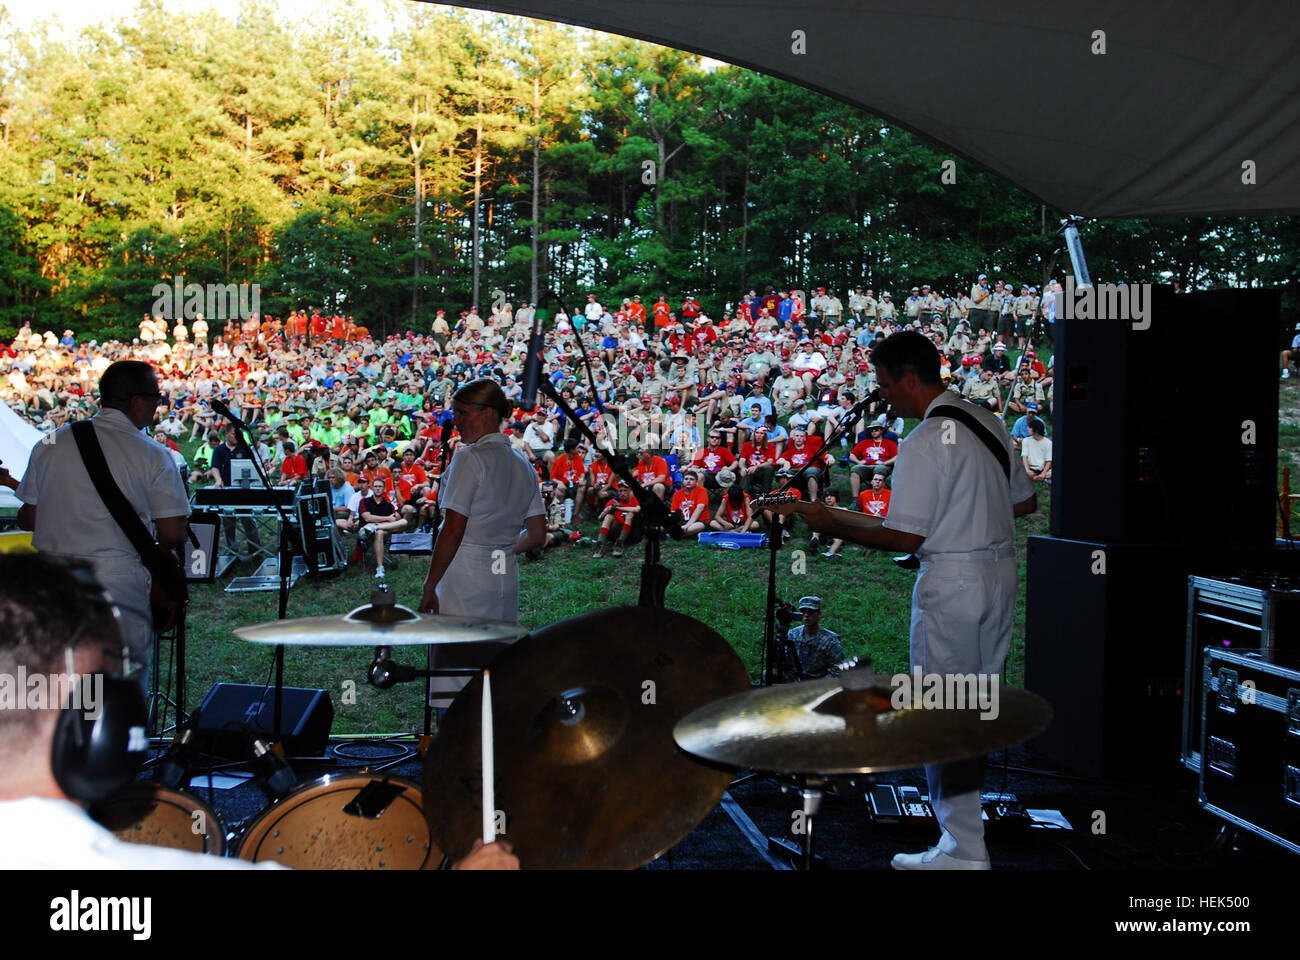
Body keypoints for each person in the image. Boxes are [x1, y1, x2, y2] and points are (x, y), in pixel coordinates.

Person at [799, 331, 1036, 870]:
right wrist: (968, 514)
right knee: (975, 708)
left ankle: (962, 848)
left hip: (952, 583)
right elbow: (1024, 501)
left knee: (942, 713)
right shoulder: (990, 422)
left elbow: (904, 538)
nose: (883, 397)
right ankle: (967, 837)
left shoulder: (926, 440)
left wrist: (830, 520)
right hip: (998, 574)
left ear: (909, 378)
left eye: (884, 386)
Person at [16, 361, 190, 683]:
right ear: (137, 402)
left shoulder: (50, 443)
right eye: (156, 397)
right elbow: (172, 532)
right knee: (120, 692)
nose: (158, 405)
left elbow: (28, 517)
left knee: (61, 689)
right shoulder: (155, 455)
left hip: (52, 583)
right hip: (115, 583)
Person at [419, 380, 546, 621]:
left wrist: (430, 584)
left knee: (456, 654)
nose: (455, 420)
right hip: (504, 571)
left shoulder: (469, 459)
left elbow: (453, 529)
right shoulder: (523, 465)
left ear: (487, 413)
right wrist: (500, 549)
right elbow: (537, 535)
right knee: (499, 653)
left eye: (462, 412)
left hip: (465, 574)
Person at [784, 596, 845, 680]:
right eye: (803, 612)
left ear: (819, 614)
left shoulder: (830, 640)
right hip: (795, 678)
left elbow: (838, 669)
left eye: (810, 612)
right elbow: (784, 661)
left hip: (818, 681)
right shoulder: (793, 634)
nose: (806, 615)